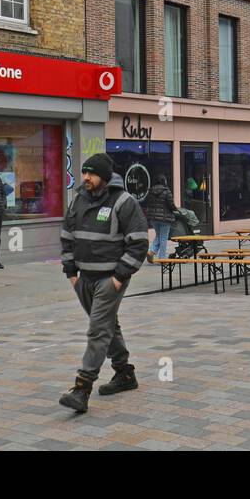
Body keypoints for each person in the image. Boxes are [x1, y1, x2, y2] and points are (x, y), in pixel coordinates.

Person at [59, 153, 149, 412]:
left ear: (105, 177)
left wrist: (119, 277)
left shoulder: (124, 201)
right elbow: (67, 236)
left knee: (98, 329)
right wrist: (71, 274)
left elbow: (139, 242)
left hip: (109, 279)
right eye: (84, 172)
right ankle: (125, 373)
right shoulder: (78, 200)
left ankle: (81, 388)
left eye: (92, 173)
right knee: (107, 325)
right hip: (83, 279)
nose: (86, 177)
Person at [143, 175, 177, 262]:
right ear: (164, 181)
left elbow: (148, 203)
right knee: (163, 237)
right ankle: (162, 258)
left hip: (153, 218)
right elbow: (171, 205)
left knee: (159, 235)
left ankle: (152, 251)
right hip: (165, 218)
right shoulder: (167, 191)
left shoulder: (150, 191)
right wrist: (176, 209)